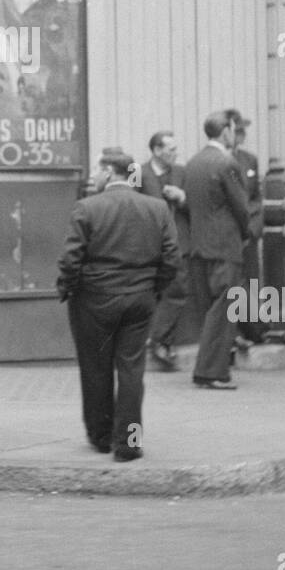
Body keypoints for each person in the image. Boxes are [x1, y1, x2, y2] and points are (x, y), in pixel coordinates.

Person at [58, 150, 180, 462]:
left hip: (94, 299)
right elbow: (171, 259)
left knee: (96, 369)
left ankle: (101, 437)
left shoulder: (86, 208)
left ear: (111, 171)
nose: (94, 177)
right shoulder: (157, 208)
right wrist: (154, 290)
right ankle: (129, 442)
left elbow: (71, 260)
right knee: (131, 370)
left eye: (98, 170)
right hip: (140, 298)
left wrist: (70, 289)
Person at [182, 112, 251, 390]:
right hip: (224, 246)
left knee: (213, 309)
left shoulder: (193, 163)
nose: (234, 135)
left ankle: (214, 370)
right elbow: (242, 208)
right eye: (233, 130)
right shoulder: (227, 163)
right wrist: (244, 235)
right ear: (225, 132)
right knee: (225, 310)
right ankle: (211, 372)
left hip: (200, 246)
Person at [137, 131, 192, 370]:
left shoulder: (182, 172)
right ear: (156, 151)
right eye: (170, 149)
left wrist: (182, 198)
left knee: (177, 291)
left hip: (179, 243)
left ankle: (159, 341)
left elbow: (198, 205)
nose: (175, 154)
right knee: (148, 293)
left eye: (176, 149)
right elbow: (127, 203)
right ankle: (158, 342)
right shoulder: (136, 171)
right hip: (148, 244)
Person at [224, 109, 264, 350]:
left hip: (247, 234)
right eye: (237, 130)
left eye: (243, 130)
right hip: (226, 233)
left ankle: (251, 331)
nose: (242, 135)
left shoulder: (249, 159)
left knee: (249, 282)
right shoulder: (214, 160)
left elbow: (256, 198)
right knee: (228, 284)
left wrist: (253, 229)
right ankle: (233, 333)